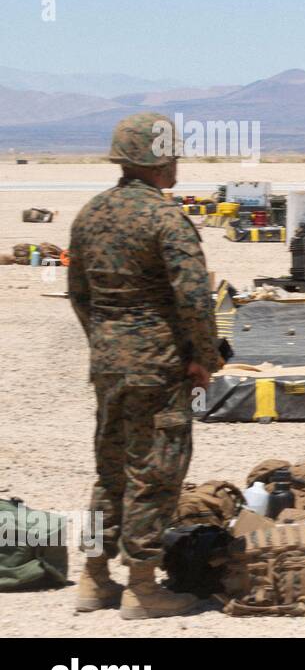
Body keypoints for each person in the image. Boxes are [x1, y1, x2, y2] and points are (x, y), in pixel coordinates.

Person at [67, 112, 225, 619]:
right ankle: (142, 586)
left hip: (109, 365)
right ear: (159, 160)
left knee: (108, 470)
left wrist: (107, 343)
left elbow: (80, 295)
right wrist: (203, 358)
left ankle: (92, 578)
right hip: (157, 367)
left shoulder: (90, 214)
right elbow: (195, 299)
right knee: (154, 472)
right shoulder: (165, 218)